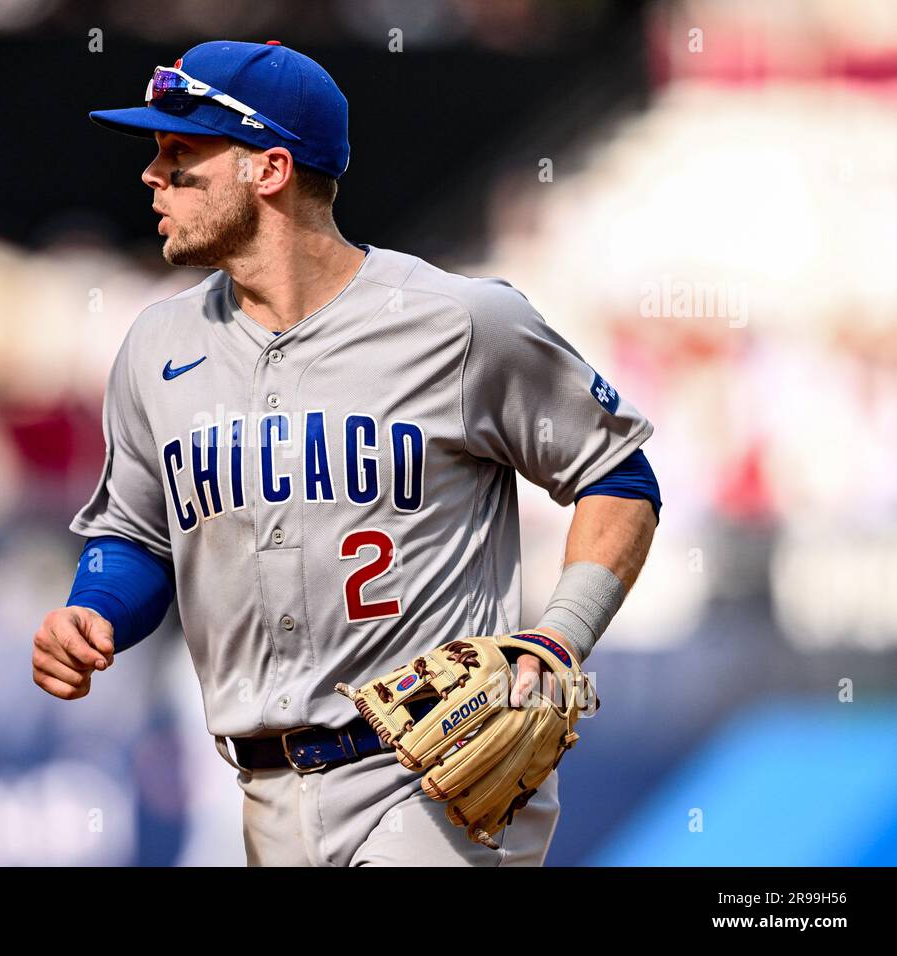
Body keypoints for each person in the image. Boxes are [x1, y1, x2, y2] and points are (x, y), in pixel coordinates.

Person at [34, 40, 660, 866]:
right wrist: (96, 609)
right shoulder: (158, 345)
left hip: (435, 777)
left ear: (269, 169)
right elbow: (139, 536)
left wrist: (558, 639)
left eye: (180, 155)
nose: (153, 176)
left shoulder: (459, 322)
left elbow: (619, 474)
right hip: (263, 794)